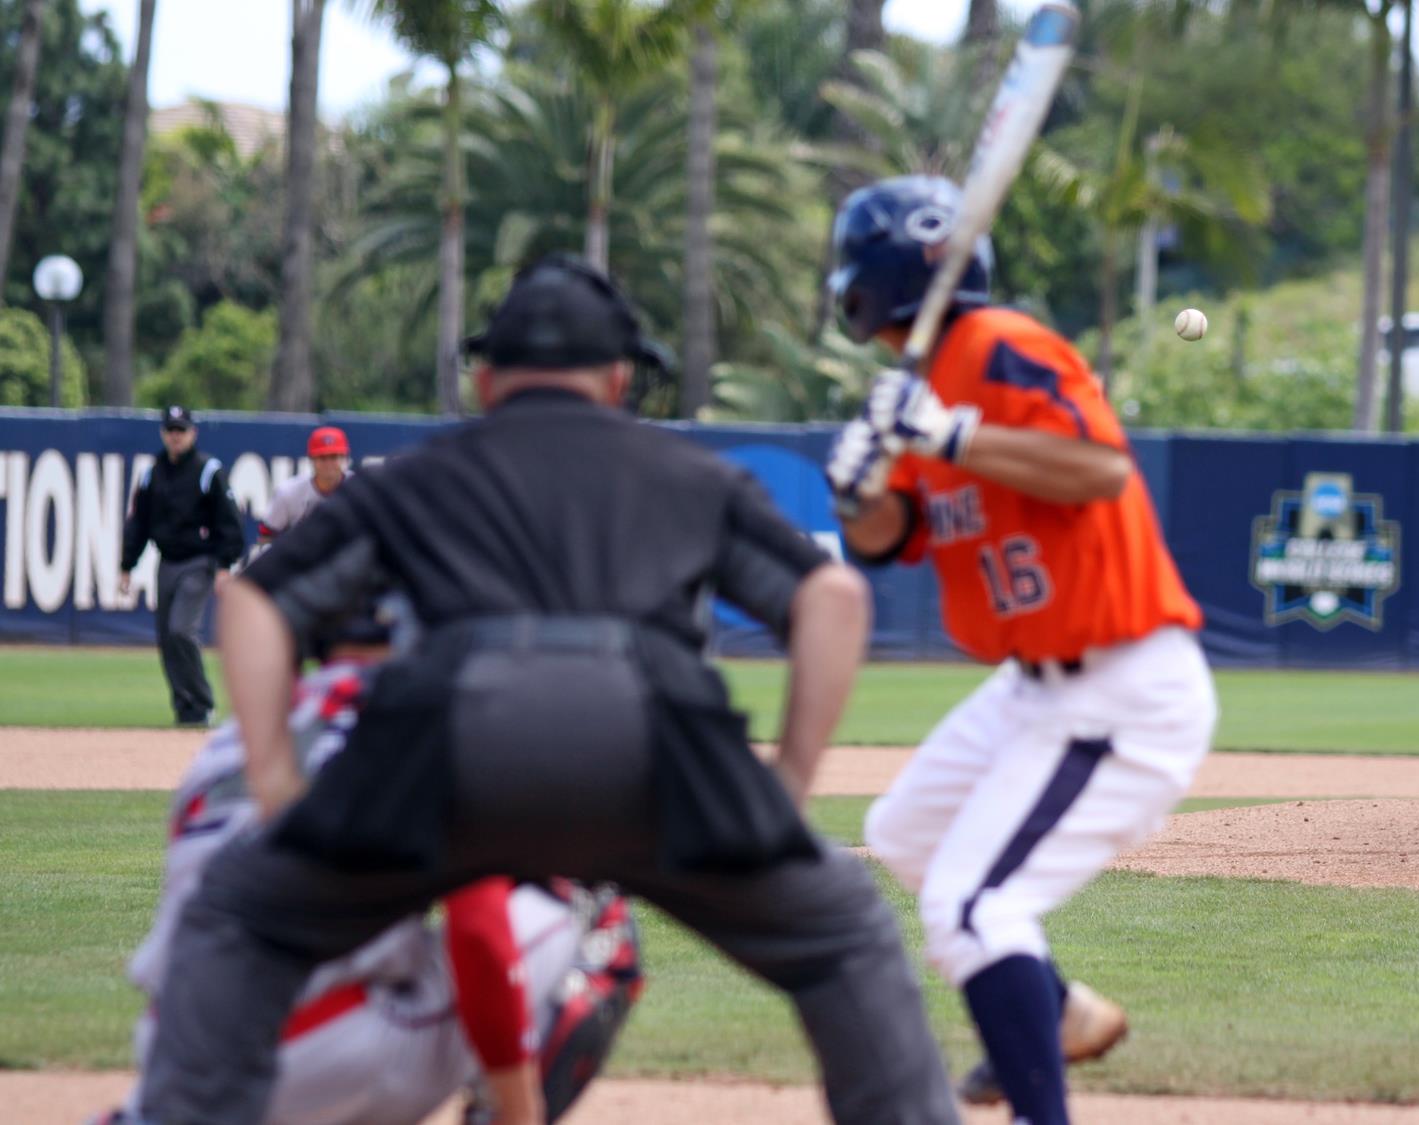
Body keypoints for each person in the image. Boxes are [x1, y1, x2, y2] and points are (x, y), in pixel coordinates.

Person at [134, 256, 955, 1125]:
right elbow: (833, 598)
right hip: (655, 753)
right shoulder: (689, 476)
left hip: (442, 752)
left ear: (488, 382)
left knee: (242, 914)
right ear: (616, 379)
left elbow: (256, 600)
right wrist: (785, 783)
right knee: (841, 936)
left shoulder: (418, 478)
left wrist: (276, 779)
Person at [824, 175, 1217, 1125]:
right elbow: (891, 537)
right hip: (1032, 686)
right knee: (906, 833)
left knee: (968, 910)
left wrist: (955, 432)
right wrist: (859, 489)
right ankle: (1058, 1010)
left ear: (867, 282)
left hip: (1122, 684)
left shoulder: (1001, 346)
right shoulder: (923, 386)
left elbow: (1099, 467)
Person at [95, 619, 645, 1125]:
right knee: (591, 911)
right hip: (317, 1053)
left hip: (173, 1051)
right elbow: (479, 933)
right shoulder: (426, 715)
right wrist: (520, 1109)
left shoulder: (240, 736)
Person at [120, 405, 246, 727]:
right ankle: (184, 707)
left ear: (193, 433)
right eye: (171, 430)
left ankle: (202, 703)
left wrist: (223, 565)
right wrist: (127, 565)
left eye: (181, 430)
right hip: (167, 561)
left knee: (181, 630)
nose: (176, 436)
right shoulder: (153, 472)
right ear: (163, 433)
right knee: (166, 636)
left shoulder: (207, 470)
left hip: (198, 561)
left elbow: (229, 521)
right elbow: (139, 522)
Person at [259, 426, 353, 543]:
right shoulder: (289, 492)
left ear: (345, 458)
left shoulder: (360, 489)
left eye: (334, 457)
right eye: (322, 457)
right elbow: (267, 535)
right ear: (311, 459)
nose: (329, 463)